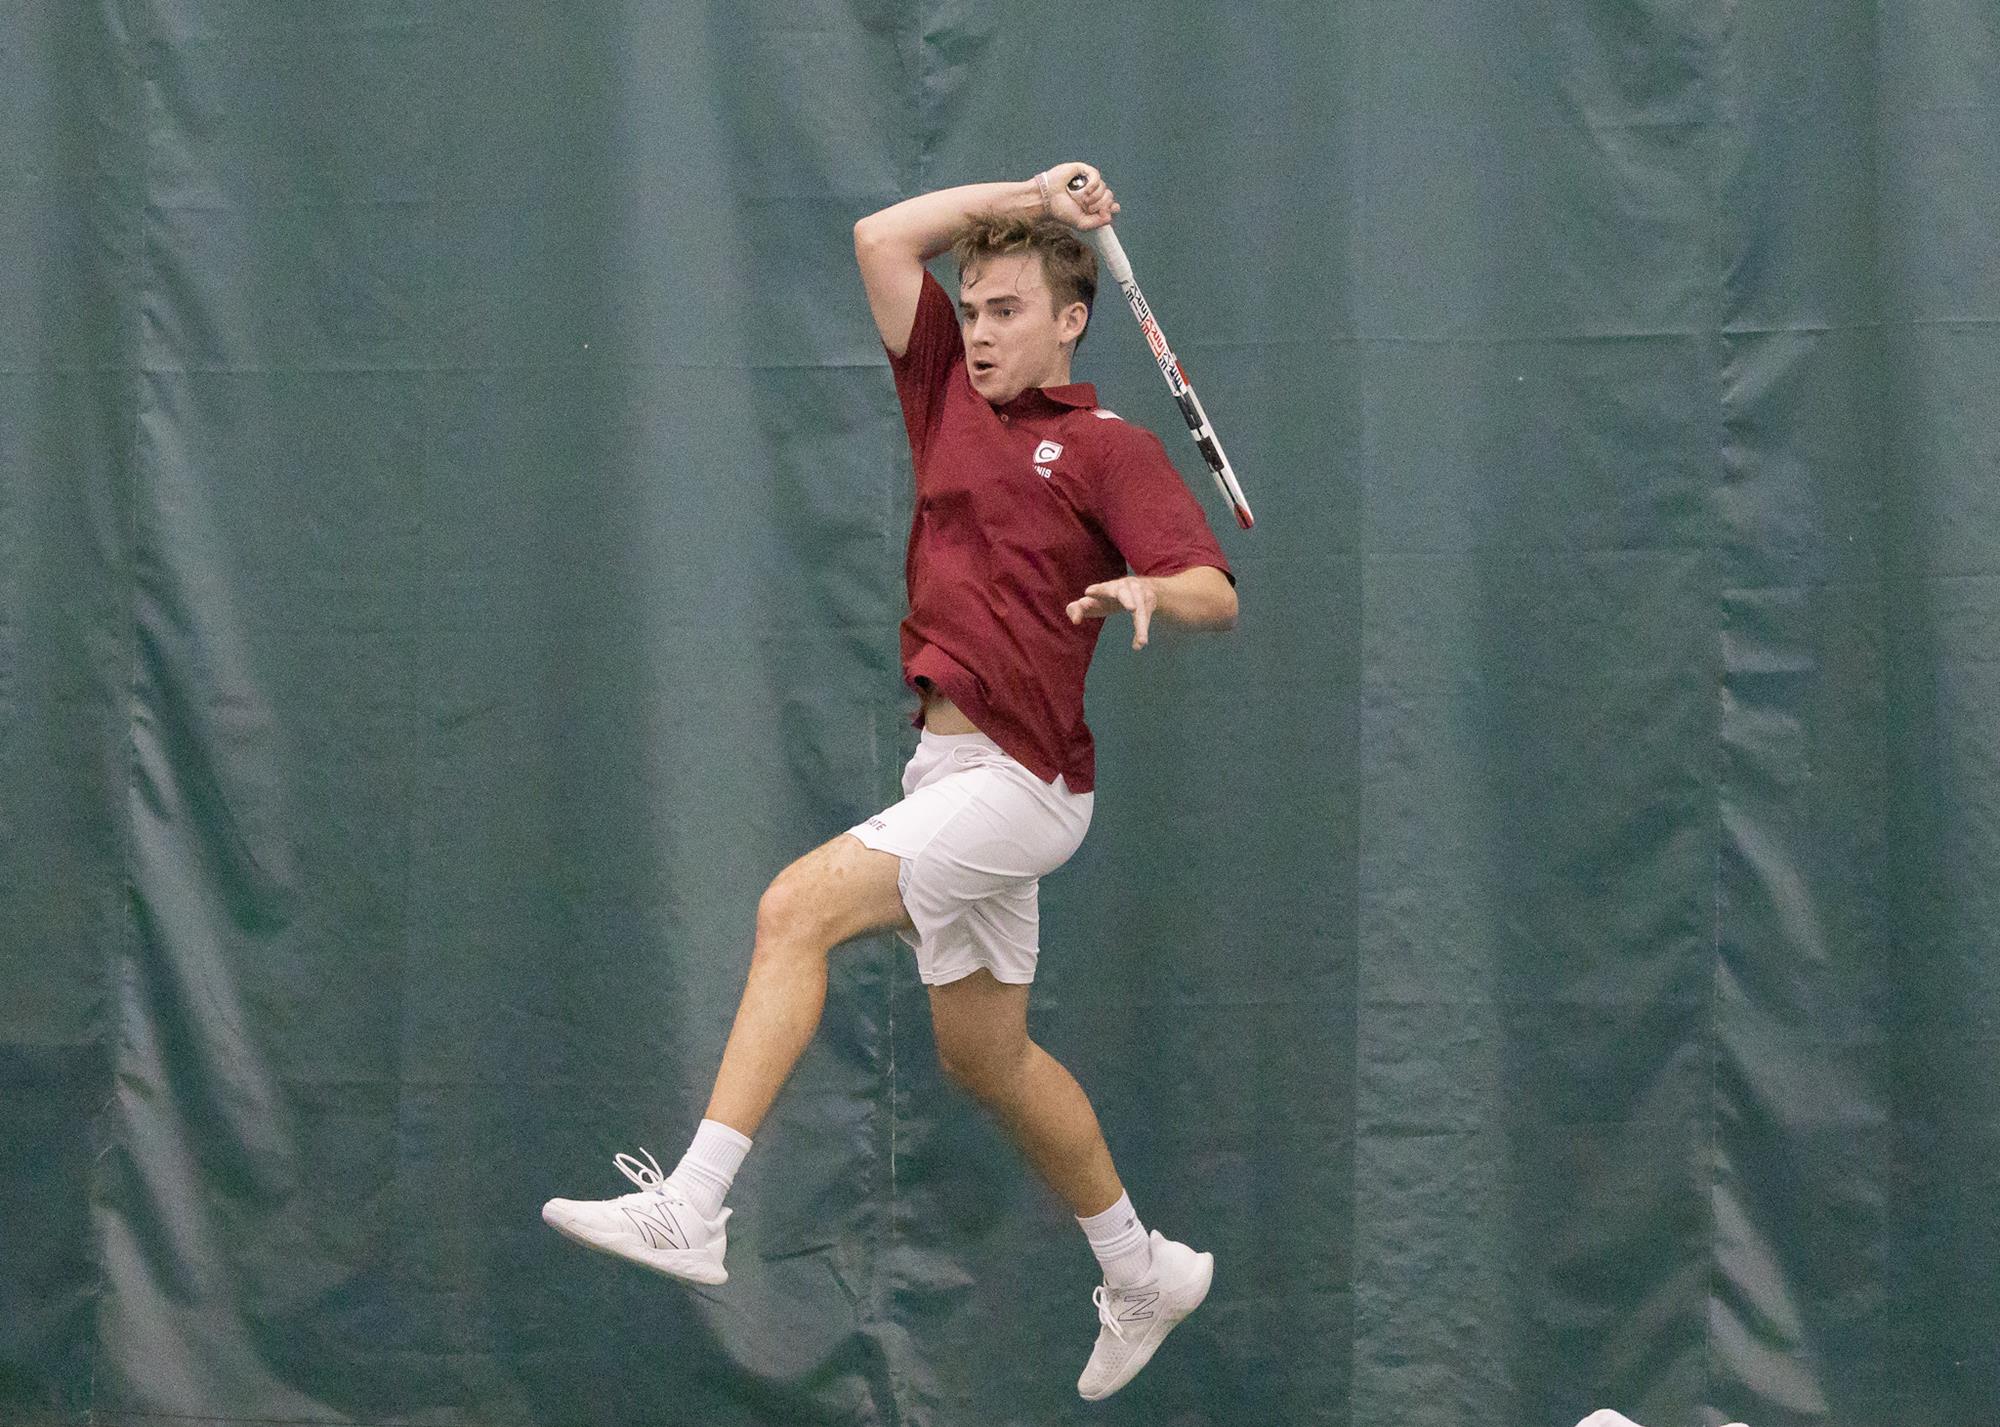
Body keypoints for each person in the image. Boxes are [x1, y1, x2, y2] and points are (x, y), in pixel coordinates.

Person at [543, 162, 1239, 1401]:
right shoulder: (943, 397)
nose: (979, 331)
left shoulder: (1108, 450)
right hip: (947, 765)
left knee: (793, 909)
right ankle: (1140, 1268)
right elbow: (878, 237)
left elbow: (1211, 591)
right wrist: (1031, 192)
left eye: (1006, 309)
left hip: (1023, 781)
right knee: (985, 1056)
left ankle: (693, 1205)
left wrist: (1147, 586)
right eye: (970, 309)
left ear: (1070, 320)